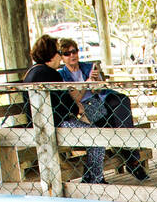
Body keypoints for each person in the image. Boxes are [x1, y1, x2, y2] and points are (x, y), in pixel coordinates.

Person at [57, 38, 148, 182]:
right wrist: (86, 83)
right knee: (110, 123)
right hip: (84, 108)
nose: (72, 55)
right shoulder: (62, 75)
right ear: (62, 57)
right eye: (67, 54)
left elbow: (100, 90)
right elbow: (75, 98)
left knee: (122, 101)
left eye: (74, 51)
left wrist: (96, 83)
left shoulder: (87, 67)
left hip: (100, 100)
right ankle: (132, 160)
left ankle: (127, 154)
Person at [23, 34, 105, 185]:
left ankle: (90, 179)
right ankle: (94, 180)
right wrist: (77, 109)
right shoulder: (50, 74)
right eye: (59, 53)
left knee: (94, 129)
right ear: (51, 55)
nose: (60, 57)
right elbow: (66, 103)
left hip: (37, 124)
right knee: (96, 136)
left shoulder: (31, 73)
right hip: (55, 125)